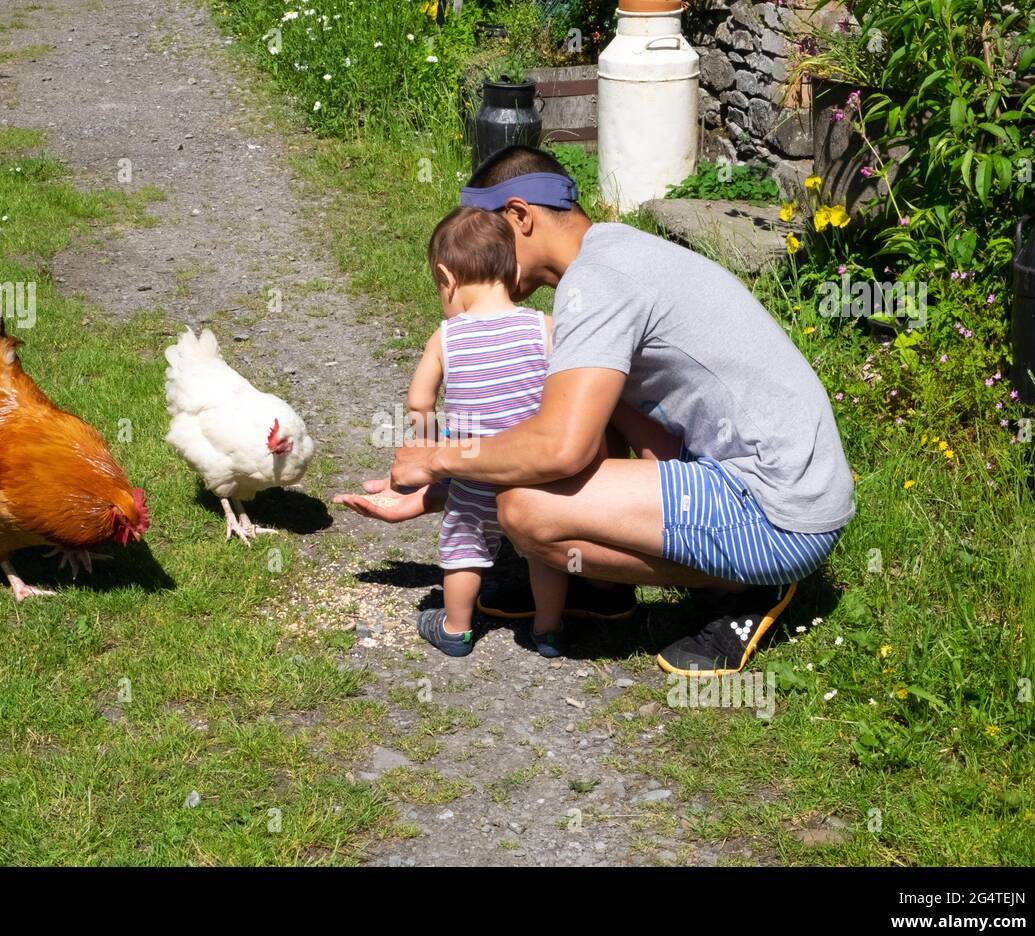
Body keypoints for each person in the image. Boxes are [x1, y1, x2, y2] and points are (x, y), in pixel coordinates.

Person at [340, 145, 854, 677]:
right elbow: (572, 429)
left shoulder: (598, 281)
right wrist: (436, 494)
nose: (484, 262)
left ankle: (746, 583)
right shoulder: (613, 255)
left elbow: (560, 449)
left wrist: (438, 460)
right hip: (768, 477)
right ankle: (600, 589)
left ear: (521, 216)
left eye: (491, 238)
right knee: (578, 408)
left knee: (526, 512)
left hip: (778, 507)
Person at [398, 206, 570, 658]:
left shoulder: (446, 337)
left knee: (463, 543)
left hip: (473, 470)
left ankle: (456, 629)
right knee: (542, 551)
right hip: (532, 470)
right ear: (514, 268)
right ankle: (548, 631)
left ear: (446, 278)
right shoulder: (545, 329)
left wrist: (431, 448)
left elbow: (419, 401)